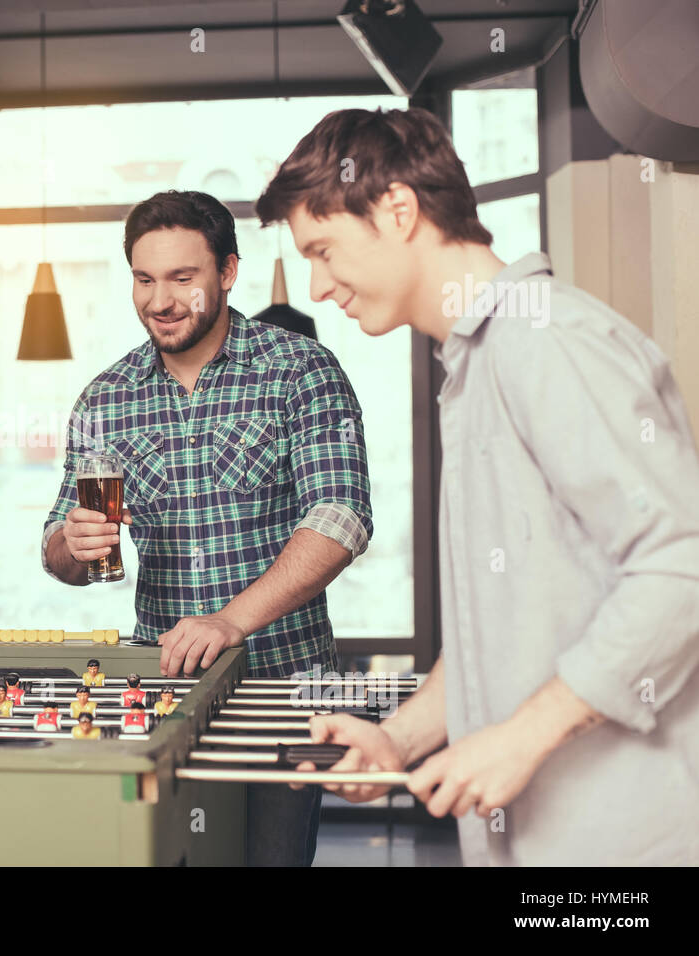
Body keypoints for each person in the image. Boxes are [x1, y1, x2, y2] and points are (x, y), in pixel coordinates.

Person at [256, 106, 699, 865]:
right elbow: (503, 632)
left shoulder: (546, 342)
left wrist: (521, 739)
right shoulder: (477, 366)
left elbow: (682, 565)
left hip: (622, 848)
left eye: (324, 250)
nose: (318, 287)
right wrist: (397, 739)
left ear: (398, 210)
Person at [42, 190, 373, 865]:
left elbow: (341, 518)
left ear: (226, 272)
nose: (159, 300)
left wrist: (231, 621)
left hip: (282, 691)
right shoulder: (104, 398)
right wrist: (70, 545)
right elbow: (57, 548)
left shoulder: (302, 371)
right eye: (143, 278)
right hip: (164, 697)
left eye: (182, 278)